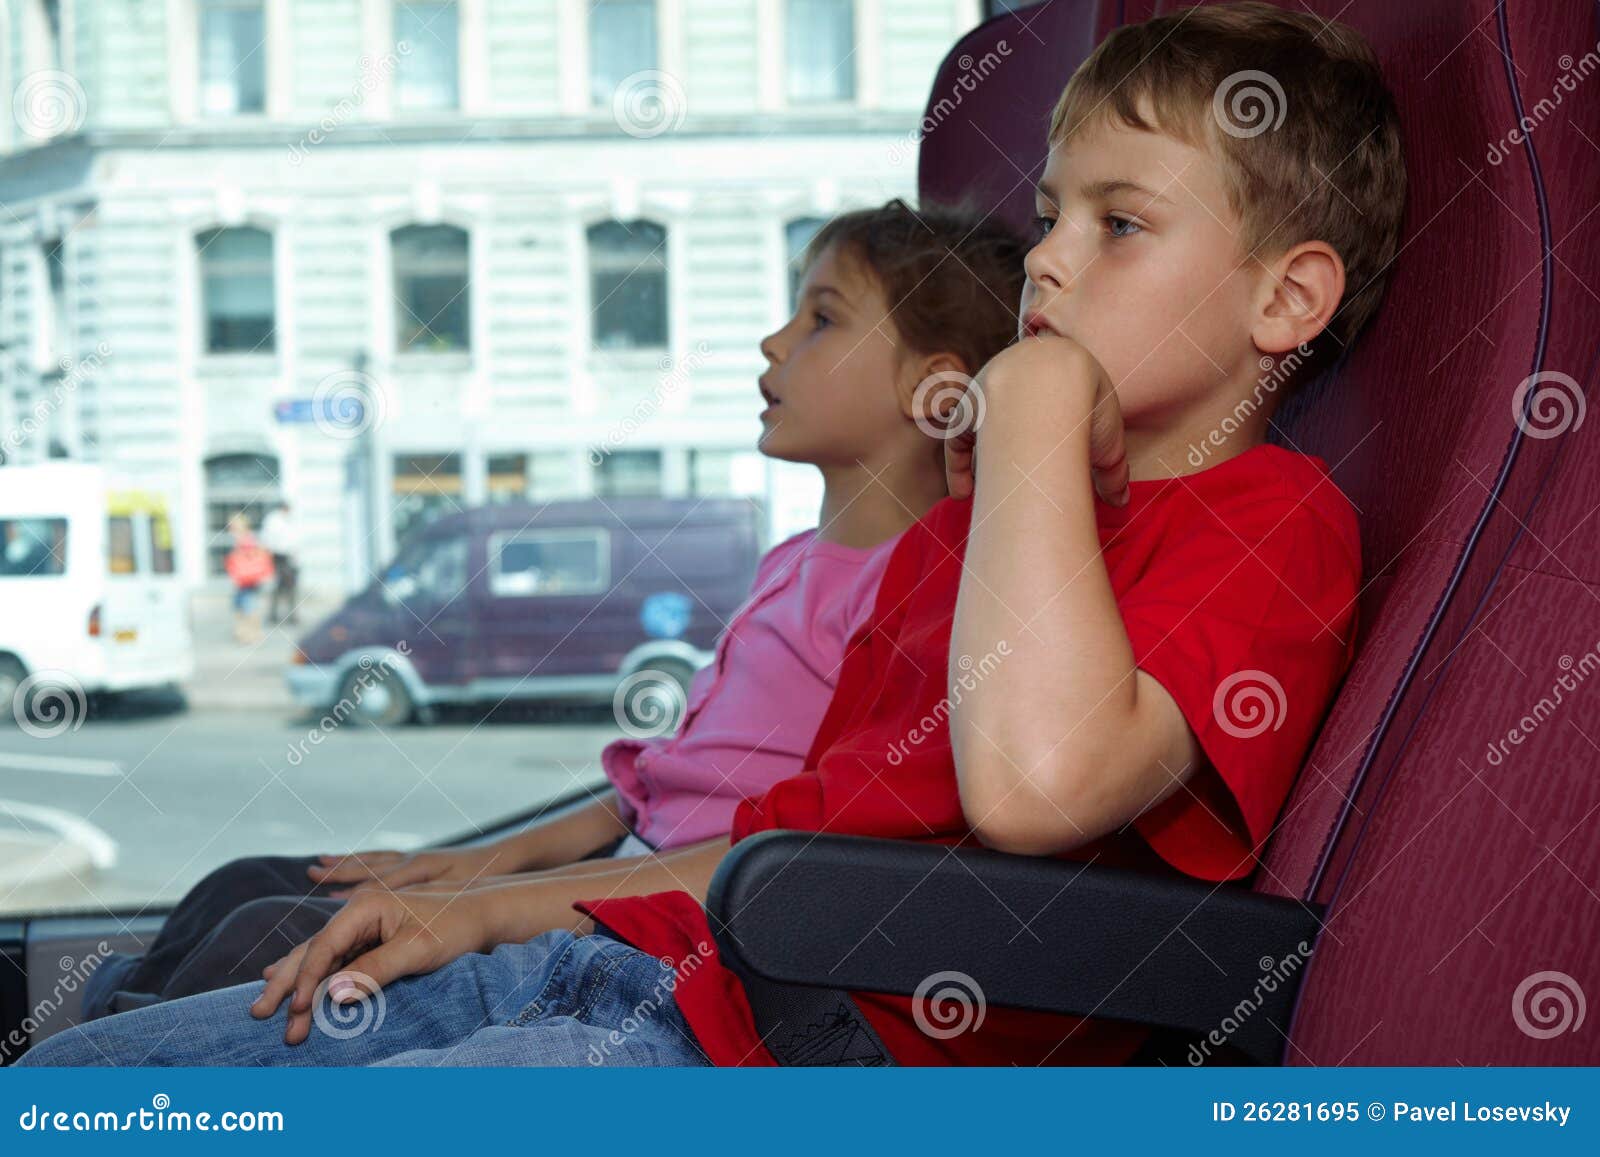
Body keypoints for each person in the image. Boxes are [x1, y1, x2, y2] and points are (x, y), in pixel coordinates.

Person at [21, 1, 1402, 1068]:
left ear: (1286, 304)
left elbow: (1036, 789)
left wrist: (1034, 398)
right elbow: (789, 841)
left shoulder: (1272, 522)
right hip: (660, 962)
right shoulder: (952, 548)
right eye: (1050, 217)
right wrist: (496, 905)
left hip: (794, 1046)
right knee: (74, 1081)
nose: (1045, 259)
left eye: (1120, 224)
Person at [72, 200, 1032, 1021]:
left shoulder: (914, 595)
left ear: (929, 387)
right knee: (245, 883)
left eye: (822, 319)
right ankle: (118, 1025)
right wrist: (469, 865)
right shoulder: (794, 561)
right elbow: (646, 789)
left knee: (263, 927)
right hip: (617, 876)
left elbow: (785, 848)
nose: (774, 341)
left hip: (675, 925)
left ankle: (120, 1062)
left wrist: (503, 900)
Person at [222, 514, 274, 645]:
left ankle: (252, 634)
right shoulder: (244, 538)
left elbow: (250, 557)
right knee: (242, 606)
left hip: (248, 580)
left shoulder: (245, 539)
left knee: (248, 607)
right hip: (244, 580)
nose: (230, 529)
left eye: (233, 526)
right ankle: (244, 633)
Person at [260, 501, 299, 626]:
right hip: (278, 556)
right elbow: (268, 539)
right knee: (277, 586)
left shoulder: (290, 520)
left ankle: (291, 615)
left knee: (290, 587)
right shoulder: (273, 520)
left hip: (290, 557)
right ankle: (273, 614)